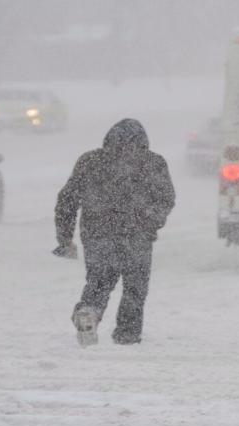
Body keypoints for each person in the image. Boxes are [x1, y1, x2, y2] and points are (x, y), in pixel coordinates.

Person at [54, 118, 175, 346]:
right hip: (136, 235)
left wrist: (65, 236)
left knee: (99, 281)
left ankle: (90, 311)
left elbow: (67, 199)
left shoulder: (90, 161)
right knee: (134, 289)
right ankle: (127, 335)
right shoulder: (152, 163)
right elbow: (166, 198)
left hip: (97, 234)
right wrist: (151, 220)